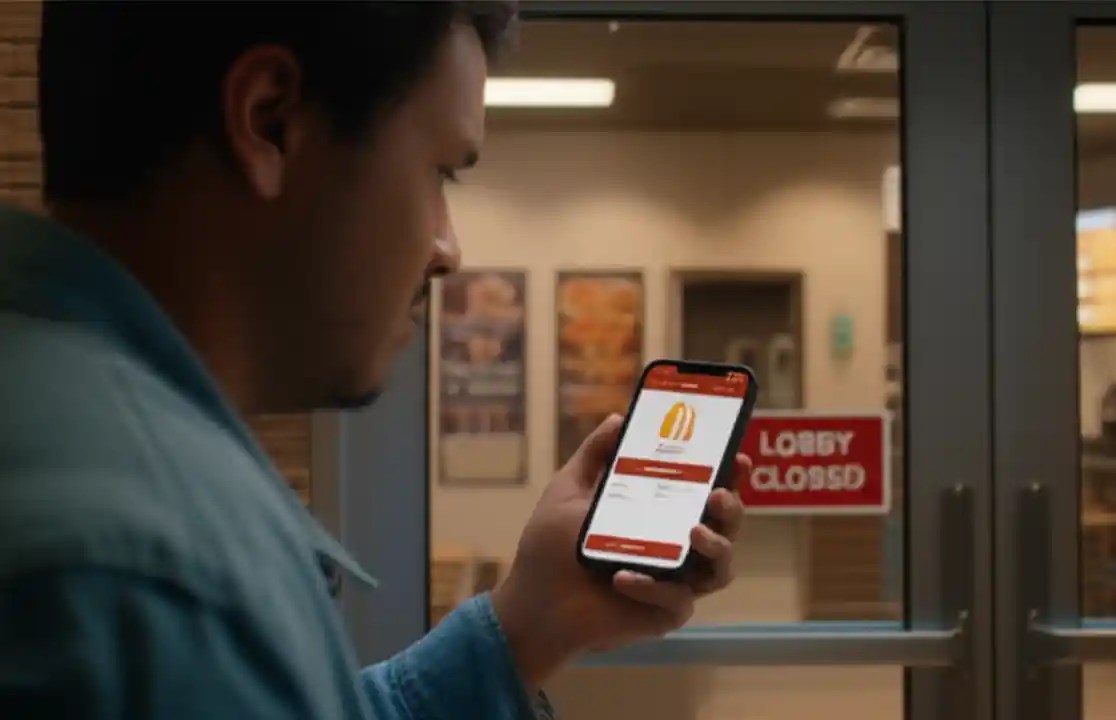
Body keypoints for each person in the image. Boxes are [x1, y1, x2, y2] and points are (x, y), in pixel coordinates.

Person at [0, 3, 747, 718]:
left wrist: (533, 621)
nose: (448, 250)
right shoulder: (154, 577)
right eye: (440, 171)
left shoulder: (60, 436)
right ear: (270, 120)